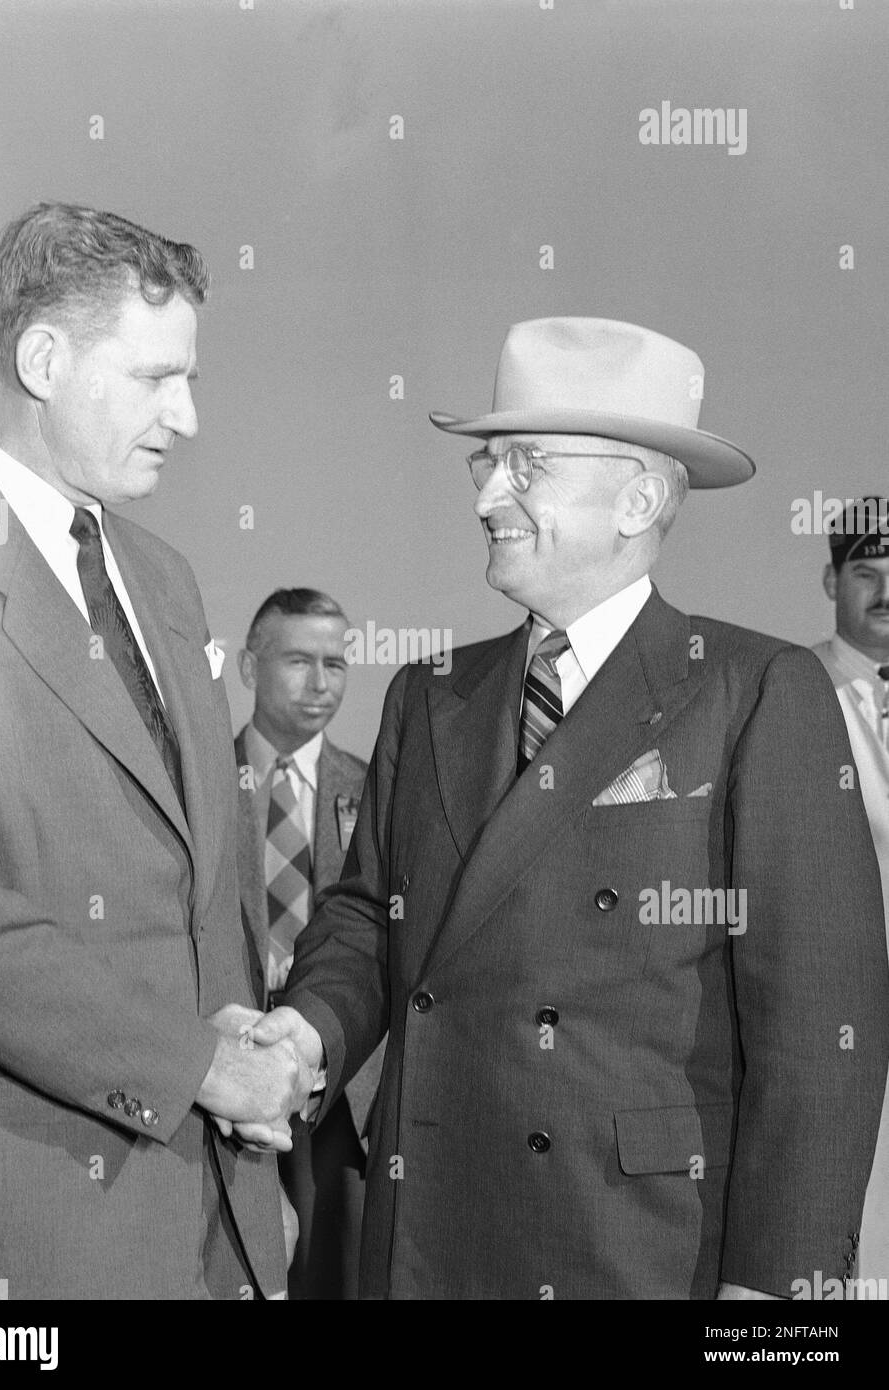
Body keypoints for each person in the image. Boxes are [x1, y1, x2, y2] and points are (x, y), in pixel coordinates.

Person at [251, 316, 889, 1299]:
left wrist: (777, 1309)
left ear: (636, 498)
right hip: (427, 1235)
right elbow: (364, 922)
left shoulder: (753, 689)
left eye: (524, 463)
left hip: (640, 1249)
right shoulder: (428, 695)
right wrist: (306, 1034)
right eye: (486, 462)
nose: (485, 491)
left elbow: (819, 1029)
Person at [0, 202, 310, 1300]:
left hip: (211, 1218)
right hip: (22, 1229)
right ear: (42, 359)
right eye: (154, 379)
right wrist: (205, 1066)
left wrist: (252, 1047)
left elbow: (195, 883)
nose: (186, 416)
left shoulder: (165, 575)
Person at [234, 588, 382, 1299]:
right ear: (248, 666)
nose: (321, 683)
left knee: (340, 1279)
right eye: (298, 660)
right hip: (229, 1076)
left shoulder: (379, 787)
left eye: (336, 662)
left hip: (341, 1089)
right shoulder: (191, 782)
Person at [813, 497, 889, 1296]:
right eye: (866, 572)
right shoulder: (795, 690)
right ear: (830, 576)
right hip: (841, 1019)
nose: (885, 592)